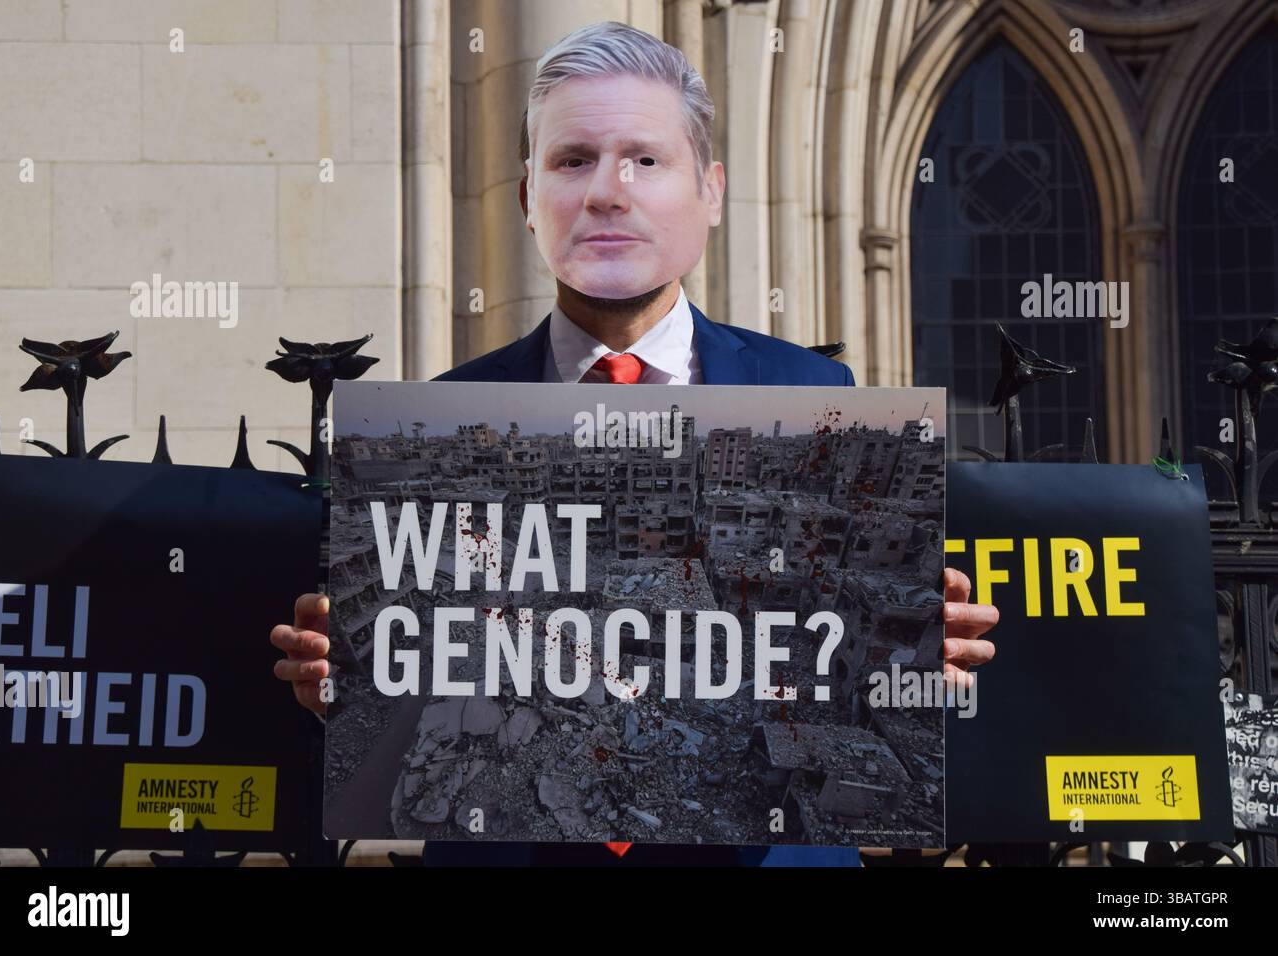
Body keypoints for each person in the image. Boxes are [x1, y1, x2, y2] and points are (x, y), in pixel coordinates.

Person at [271, 21, 999, 866]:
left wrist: (913, 652)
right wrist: (356, 682)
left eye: (646, 161)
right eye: (572, 160)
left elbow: (849, 695)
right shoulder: (434, 421)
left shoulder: (817, 402)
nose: (609, 192)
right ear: (527, 199)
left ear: (712, 192)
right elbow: (419, 715)